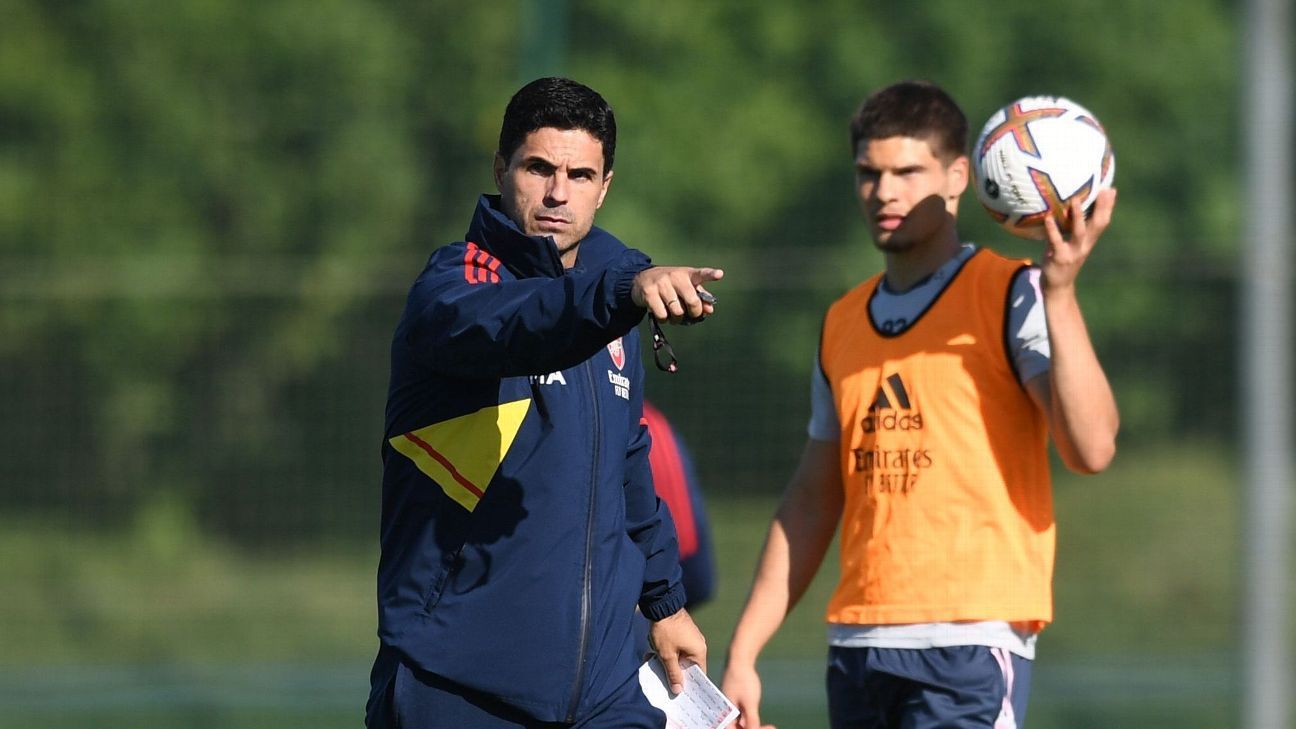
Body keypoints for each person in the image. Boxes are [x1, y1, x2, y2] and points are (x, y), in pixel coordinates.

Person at [720, 80, 1119, 729]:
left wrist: (1062, 293)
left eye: (908, 171)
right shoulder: (842, 321)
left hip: (967, 645)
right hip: (859, 646)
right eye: (868, 174)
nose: (885, 191)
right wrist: (744, 649)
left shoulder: (1012, 293)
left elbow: (1092, 446)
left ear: (959, 177)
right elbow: (812, 499)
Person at [366, 77, 723, 729]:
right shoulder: (455, 289)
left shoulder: (614, 297)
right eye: (539, 168)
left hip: (605, 693)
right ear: (502, 168)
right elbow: (528, 322)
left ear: (605, 185)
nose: (560, 192)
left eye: (581, 174)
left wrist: (667, 602)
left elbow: (628, 463)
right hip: (458, 686)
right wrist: (618, 293)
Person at [633, 400, 718, 658]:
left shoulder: (620, 420)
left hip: (639, 607)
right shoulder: (652, 420)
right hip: (674, 591)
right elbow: (700, 578)